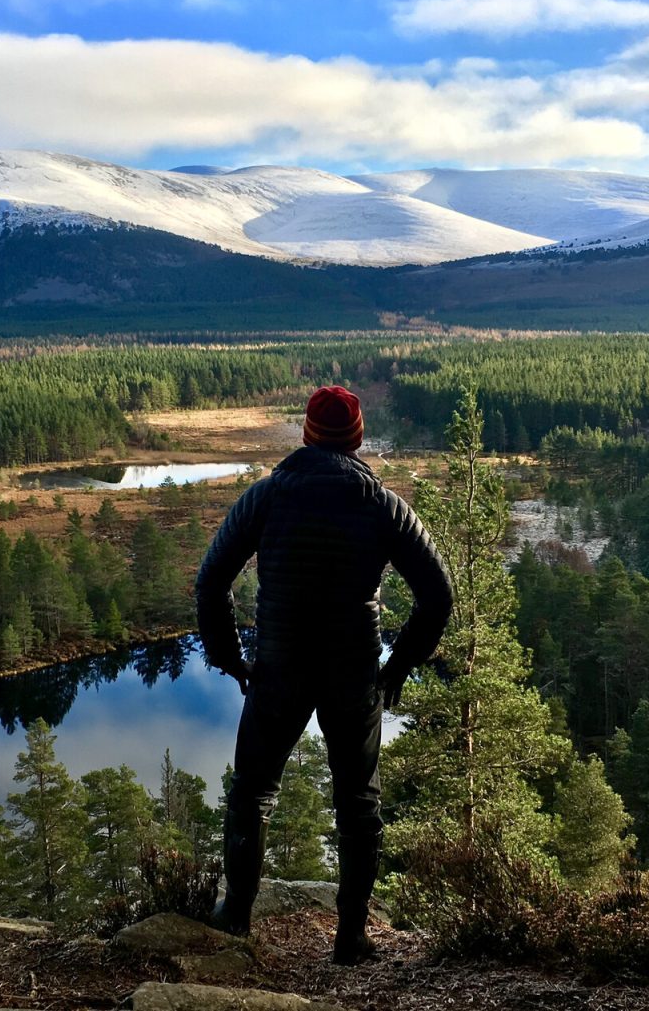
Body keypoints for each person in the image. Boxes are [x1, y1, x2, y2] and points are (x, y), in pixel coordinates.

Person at [194, 384, 453, 964]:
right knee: (358, 803)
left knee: (252, 794)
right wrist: (396, 669)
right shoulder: (384, 505)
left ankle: (236, 916)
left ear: (307, 434)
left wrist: (232, 659)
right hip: (352, 674)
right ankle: (351, 937)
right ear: (357, 437)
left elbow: (211, 583)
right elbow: (438, 598)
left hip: (279, 669)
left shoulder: (266, 497)